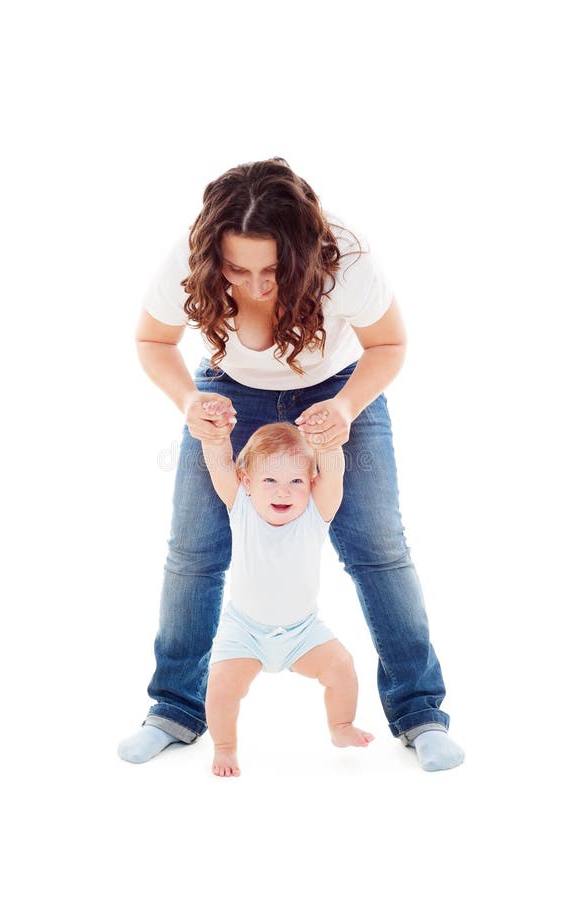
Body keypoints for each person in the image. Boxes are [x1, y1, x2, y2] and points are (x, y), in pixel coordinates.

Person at [118, 156, 465, 772]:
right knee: (194, 549)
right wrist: (190, 400)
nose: (254, 285)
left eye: (273, 270)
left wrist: (347, 407)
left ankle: (419, 714)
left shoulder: (347, 258)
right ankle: (173, 708)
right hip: (229, 390)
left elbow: (388, 345)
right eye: (236, 270)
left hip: (336, 387)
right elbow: (152, 340)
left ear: (304, 252)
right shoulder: (188, 257)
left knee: (378, 546)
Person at [200, 416, 374, 776]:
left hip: (302, 632)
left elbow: (334, 474)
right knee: (220, 688)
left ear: (311, 483)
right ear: (247, 483)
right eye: (270, 481)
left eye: (296, 480)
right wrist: (215, 434)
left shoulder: (314, 516)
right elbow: (219, 464)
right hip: (244, 631)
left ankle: (341, 726)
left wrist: (327, 444)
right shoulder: (242, 509)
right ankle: (225, 746)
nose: (284, 491)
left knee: (341, 667)